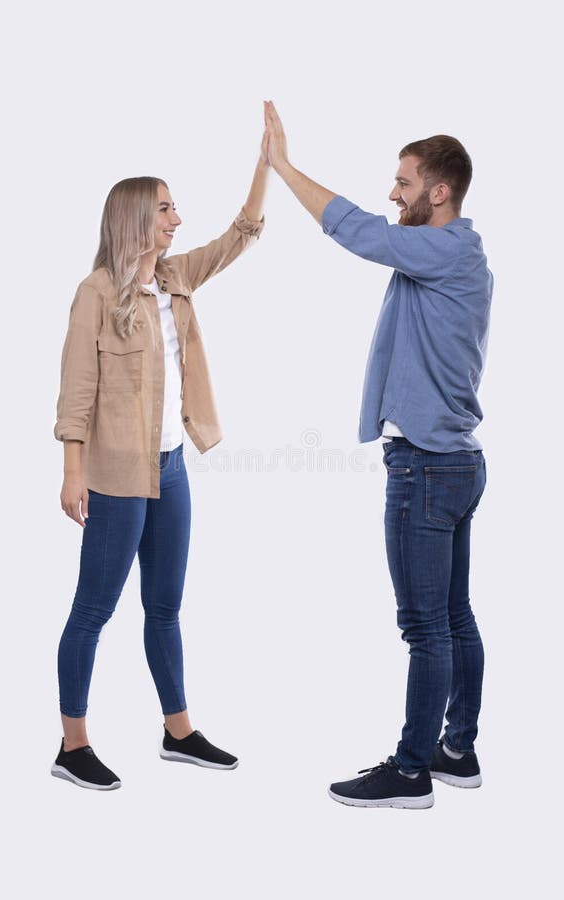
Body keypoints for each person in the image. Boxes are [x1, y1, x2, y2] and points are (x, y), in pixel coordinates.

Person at [263, 100, 492, 809]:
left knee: (425, 627)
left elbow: (355, 231)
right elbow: (376, 230)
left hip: (425, 467)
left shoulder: (444, 248)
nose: (393, 193)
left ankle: (413, 770)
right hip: (454, 464)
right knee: (453, 617)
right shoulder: (457, 255)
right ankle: (457, 750)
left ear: (439, 191)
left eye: (404, 181)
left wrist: (282, 166)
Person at [51, 120, 269, 791]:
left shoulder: (175, 278)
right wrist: (72, 475)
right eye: (167, 207)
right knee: (94, 610)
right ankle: (73, 745)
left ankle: (178, 733)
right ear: (137, 219)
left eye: (176, 207)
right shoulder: (94, 293)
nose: (178, 218)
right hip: (116, 477)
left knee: (166, 606)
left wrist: (266, 164)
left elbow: (240, 236)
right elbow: (76, 392)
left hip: (170, 469)